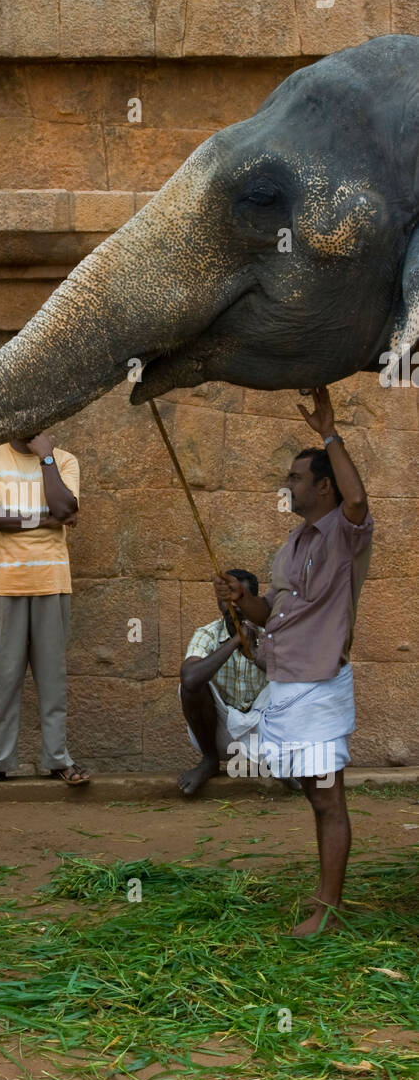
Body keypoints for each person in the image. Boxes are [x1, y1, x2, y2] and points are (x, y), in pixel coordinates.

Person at [214, 387, 373, 937]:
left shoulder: (347, 533)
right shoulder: (295, 540)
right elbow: (275, 610)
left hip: (319, 686)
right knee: (313, 793)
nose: (288, 483)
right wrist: (243, 600)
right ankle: (325, 897)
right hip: (287, 682)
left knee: (327, 797)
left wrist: (330, 431)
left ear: (323, 485)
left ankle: (328, 910)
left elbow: (358, 503)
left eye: (296, 477)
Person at [0, 431, 88, 789]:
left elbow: (66, 509)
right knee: (4, 680)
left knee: (53, 681)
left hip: (51, 582)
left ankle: (58, 758)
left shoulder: (63, 460)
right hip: (5, 585)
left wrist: (46, 458)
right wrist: (44, 519)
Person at [178, 569, 277, 797]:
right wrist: (235, 641)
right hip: (221, 732)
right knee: (191, 684)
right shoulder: (208, 634)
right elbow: (190, 678)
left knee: (294, 684)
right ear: (219, 602)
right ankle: (210, 761)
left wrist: (255, 653)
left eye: (240, 598)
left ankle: (282, 760)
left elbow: (297, 679)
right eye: (228, 599)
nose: (234, 605)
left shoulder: (271, 633)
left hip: (266, 732)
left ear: (253, 601)